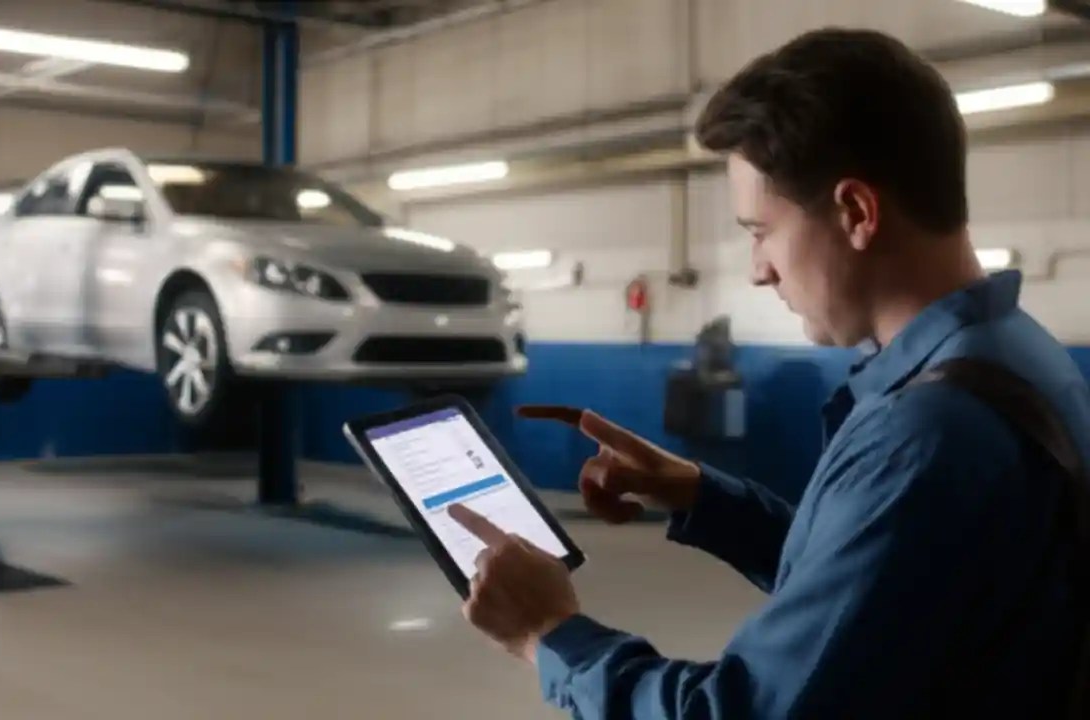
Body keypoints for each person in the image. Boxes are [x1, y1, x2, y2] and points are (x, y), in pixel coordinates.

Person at [447, 27, 1090, 719]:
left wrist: (551, 634)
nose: (759, 269)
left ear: (856, 212)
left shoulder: (926, 434)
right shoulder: (1013, 353)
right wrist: (704, 499)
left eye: (761, 232)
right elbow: (880, 586)